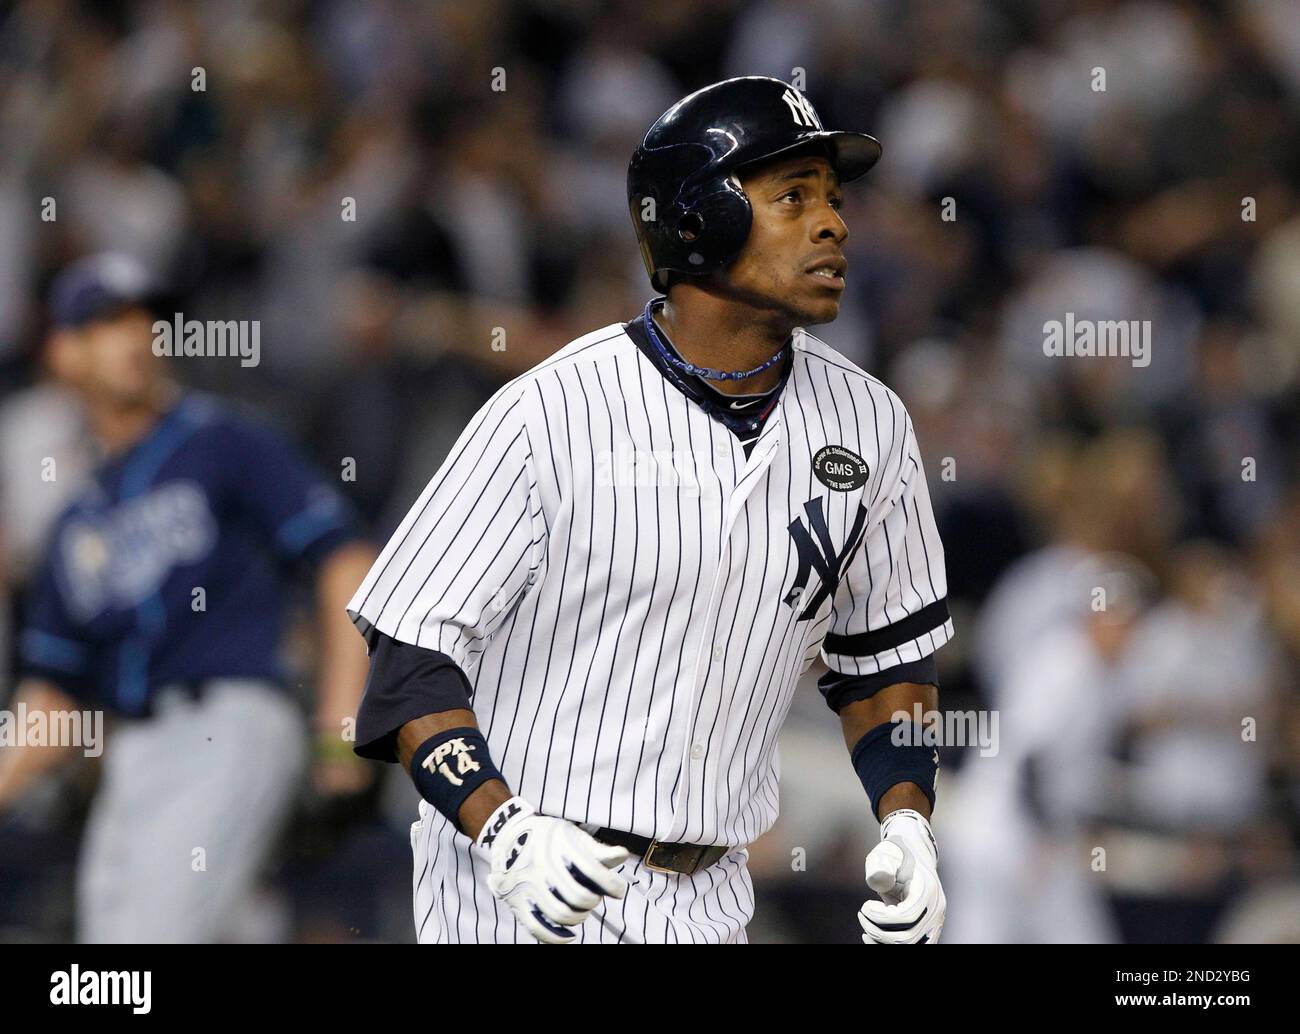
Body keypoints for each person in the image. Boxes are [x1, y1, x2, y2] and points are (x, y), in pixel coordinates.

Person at [348, 78, 953, 944]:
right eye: (793, 197)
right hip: (521, 884)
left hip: (709, 895)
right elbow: (411, 662)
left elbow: (882, 662)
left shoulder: (872, 424)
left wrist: (907, 823)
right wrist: (502, 828)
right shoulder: (552, 409)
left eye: (833, 197)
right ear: (699, 219)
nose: (834, 224)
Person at [0, 253, 377, 942]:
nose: (138, 336)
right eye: (110, 321)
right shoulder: (72, 522)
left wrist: (340, 733)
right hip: (133, 758)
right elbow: (51, 698)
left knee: (132, 958)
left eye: (148, 319)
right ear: (63, 352)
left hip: (227, 725)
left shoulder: (223, 441)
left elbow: (346, 560)